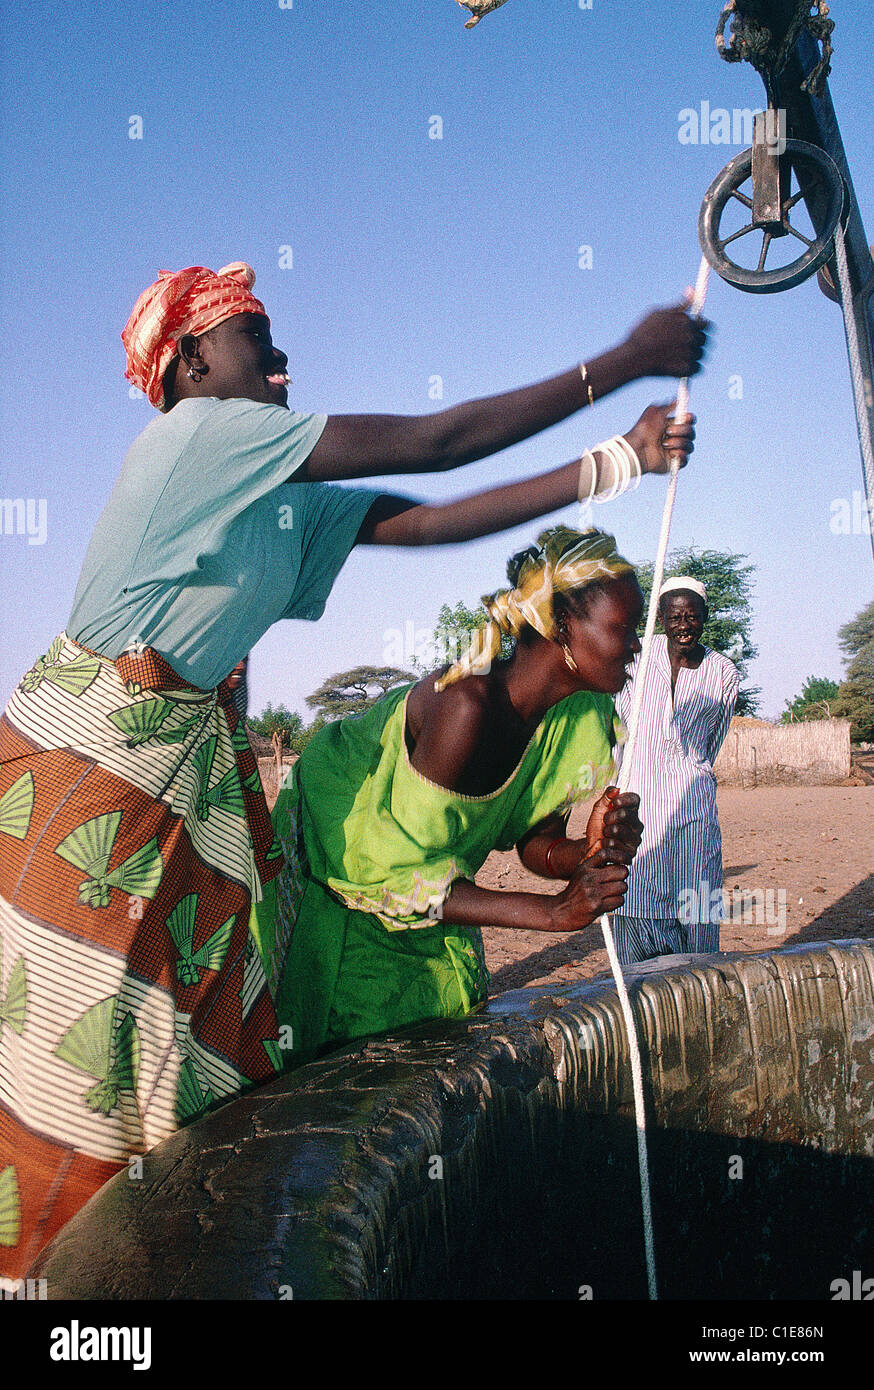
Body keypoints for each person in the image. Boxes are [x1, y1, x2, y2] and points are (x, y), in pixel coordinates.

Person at [0, 259, 702, 1278]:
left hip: (171, 802)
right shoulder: (195, 438)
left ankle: (128, 1289)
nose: (283, 368)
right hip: (94, 790)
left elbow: (427, 514)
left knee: (166, 1077)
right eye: (259, 345)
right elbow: (437, 437)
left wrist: (616, 465)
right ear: (191, 361)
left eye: (284, 351)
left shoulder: (278, 494)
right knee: (79, 1068)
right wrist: (625, 362)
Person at [251, 526, 655, 1068]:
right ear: (562, 627)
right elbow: (396, 878)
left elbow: (536, 842)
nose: (636, 645)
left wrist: (583, 854)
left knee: (434, 1056)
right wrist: (555, 913)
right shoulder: (464, 709)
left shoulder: (580, 711)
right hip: (344, 891)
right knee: (349, 1075)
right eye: (623, 628)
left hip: (432, 901)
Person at [611, 577, 740, 965]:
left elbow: (710, 743)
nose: (684, 625)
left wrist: (686, 770)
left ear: (705, 618)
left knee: (697, 910)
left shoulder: (723, 672)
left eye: (692, 617)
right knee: (633, 896)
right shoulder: (633, 659)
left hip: (693, 811)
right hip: (637, 803)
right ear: (661, 618)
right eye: (675, 617)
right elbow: (614, 722)